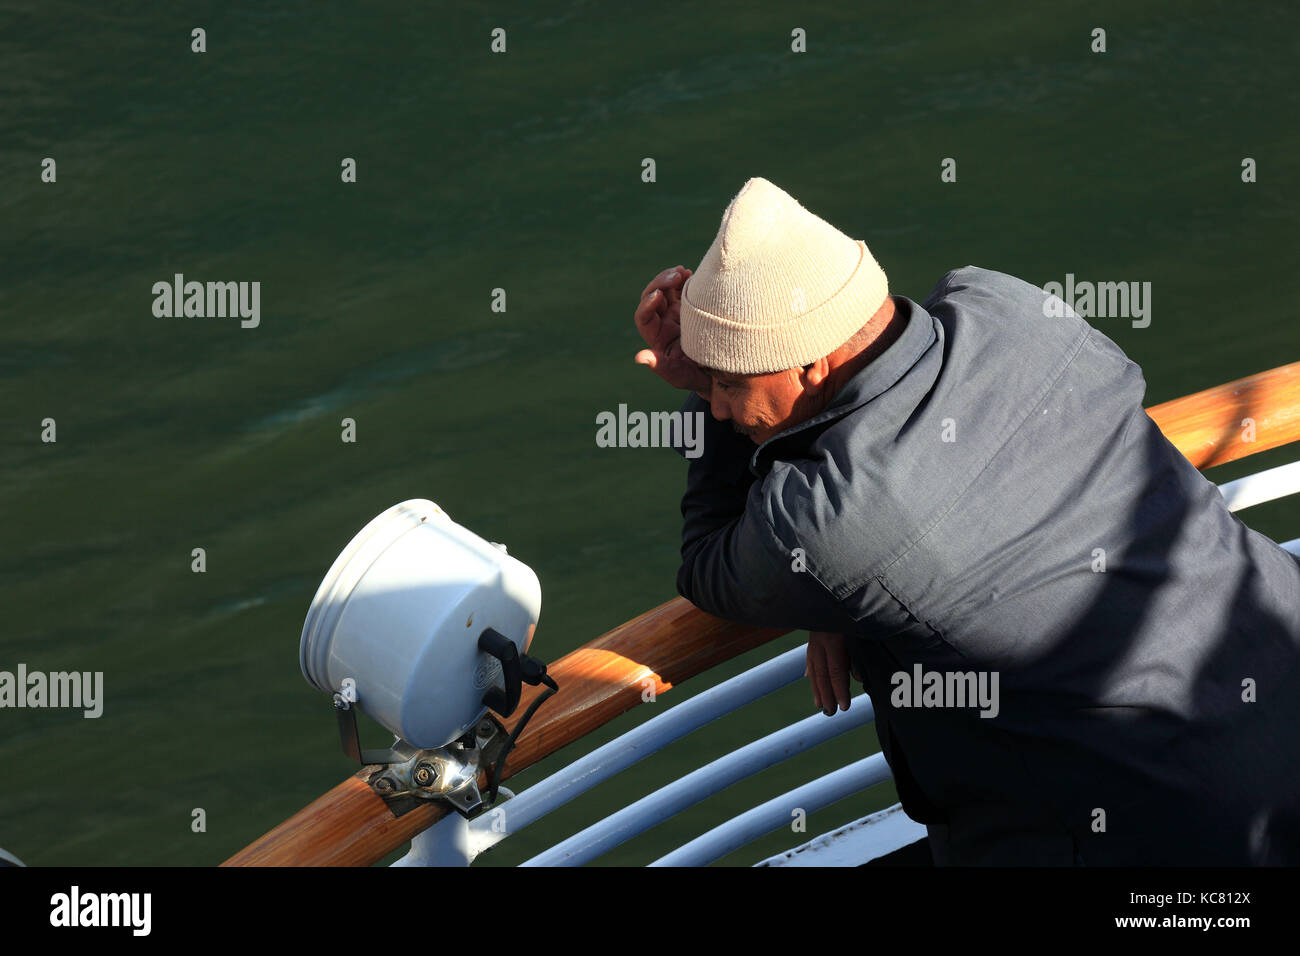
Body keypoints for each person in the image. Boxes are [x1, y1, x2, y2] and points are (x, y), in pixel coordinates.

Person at [632, 176, 1300, 865]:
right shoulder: (1004, 304)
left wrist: (693, 390)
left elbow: (708, 559)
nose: (719, 408)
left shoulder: (830, 525)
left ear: (809, 363)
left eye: (728, 385)